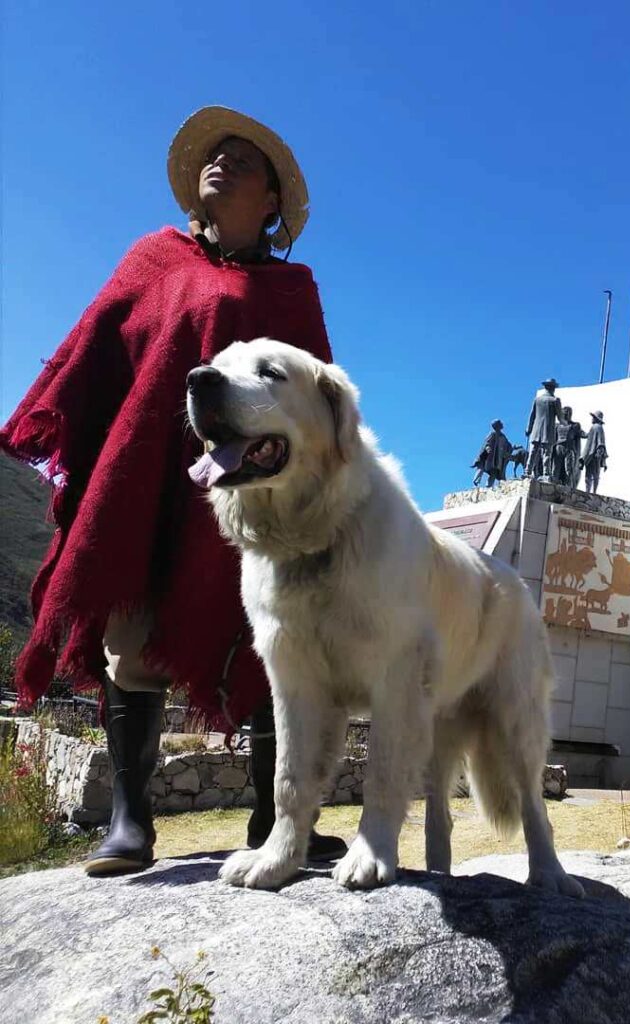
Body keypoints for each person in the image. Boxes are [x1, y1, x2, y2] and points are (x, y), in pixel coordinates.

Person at [0, 106, 345, 875]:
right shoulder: (154, 259)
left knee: (277, 643)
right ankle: (130, 822)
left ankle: (276, 819)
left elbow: (316, 398)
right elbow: (94, 352)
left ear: (272, 203)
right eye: (215, 156)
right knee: (134, 638)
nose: (222, 163)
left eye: (244, 161)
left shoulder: (292, 290)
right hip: (152, 477)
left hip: (256, 493)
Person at [525, 378, 562, 479]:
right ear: (553, 388)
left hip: (536, 430)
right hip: (548, 430)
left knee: (533, 452)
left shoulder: (537, 399)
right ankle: (546, 473)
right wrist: (565, 424)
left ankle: (527, 471)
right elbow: (560, 417)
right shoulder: (555, 400)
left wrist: (528, 428)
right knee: (547, 453)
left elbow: (532, 416)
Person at [471, 419, 512, 487]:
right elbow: (487, 442)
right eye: (500, 423)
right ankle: (476, 480)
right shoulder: (492, 434)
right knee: (482, 467)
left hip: (498, 458)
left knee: (494, 472)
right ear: (497, 425)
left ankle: (489, 485)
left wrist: (510, 448)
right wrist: (487, 448)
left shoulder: (503, 436)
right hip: (490, 456)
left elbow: (508, 445)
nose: (502, 424)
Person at [552, 406, 584, 488]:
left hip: (569, 449)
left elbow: (582, 434)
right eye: (565, 413)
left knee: (569, 470)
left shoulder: (575, 426)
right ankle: (553, 484)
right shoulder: (557, 425)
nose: (566, 414)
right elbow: (552, 437)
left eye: (568, 413)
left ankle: (568, 487)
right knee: (555, 469)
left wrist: (591, 434)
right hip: (558, 448)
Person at [580, 411, 608, 493]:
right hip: (591, 454)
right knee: (591, 474)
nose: (592, 419)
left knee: (594, 474)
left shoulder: (598, 427)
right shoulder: (594, 427)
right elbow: (586, 435)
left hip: (595, 454)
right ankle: (589, 491)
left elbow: (601, 442)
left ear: (596, 419)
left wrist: (599, 453)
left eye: (593, 417)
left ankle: (592, 491)